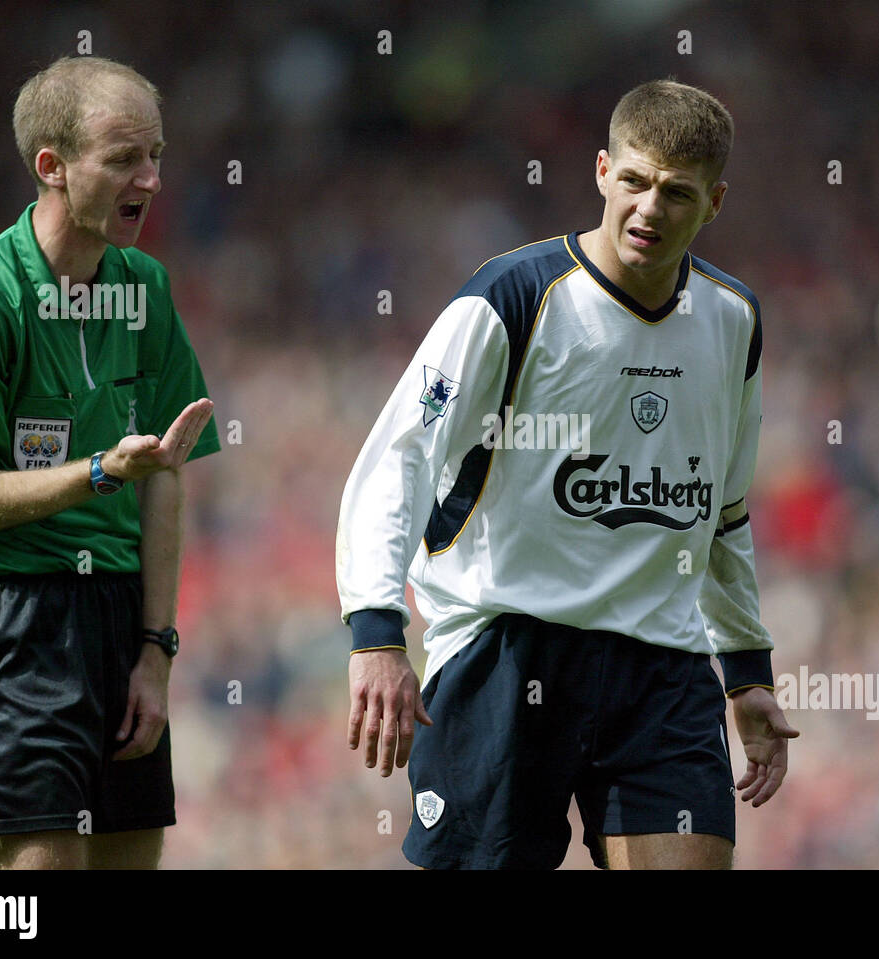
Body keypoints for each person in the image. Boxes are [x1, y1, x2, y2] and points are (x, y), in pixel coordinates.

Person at [336, 79, 798, 869]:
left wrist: (746, 668)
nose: (650, 208)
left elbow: (722, 510)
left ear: (715, 201)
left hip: (663, 661)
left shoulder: (732, 320)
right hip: (507, 647)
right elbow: (399, 459)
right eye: (635, 181)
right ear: (601, 172)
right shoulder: (512, 296)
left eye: (677, 193)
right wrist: (376, 632)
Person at [0, 55, 218, 869]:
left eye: (156, 155)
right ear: (52, 167)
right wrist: (100, 471)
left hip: (123, 625)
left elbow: (170, 475)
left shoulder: (146, 287)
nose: (149, 178)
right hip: (15, 630)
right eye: (123, 160)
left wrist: (155, 651)